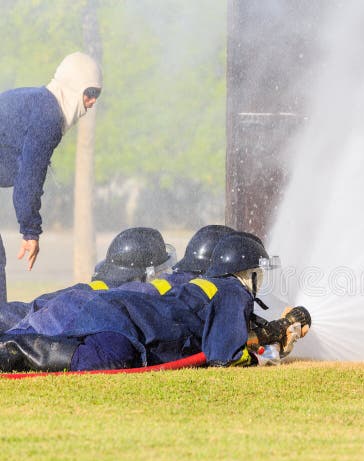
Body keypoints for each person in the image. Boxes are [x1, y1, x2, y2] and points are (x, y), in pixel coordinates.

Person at [0, 233, 309, 372]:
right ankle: (11, 350)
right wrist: (267, 356)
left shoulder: (208, 290)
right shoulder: (232, 290)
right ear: (249, 274)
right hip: (120, 328)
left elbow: (221, 336)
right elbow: (224, 357)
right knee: (111, 358)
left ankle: (12, 346)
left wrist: (272, 336)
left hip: (102, 312)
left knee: (28, 330)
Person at [0, 52, 103, 303]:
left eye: (96, 95)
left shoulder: (33, 98)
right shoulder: (48, 116)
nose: (91, 102)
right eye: (89, 92)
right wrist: (31, 231)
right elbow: (29, 178)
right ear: (73, 86)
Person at [0, 227, 174, 332]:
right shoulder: (135, 293)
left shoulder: (101, 287)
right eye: (161, 270)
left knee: (27, 311)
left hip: (42, 309)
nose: (164, 274)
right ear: (145, 273)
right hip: (42, 319)